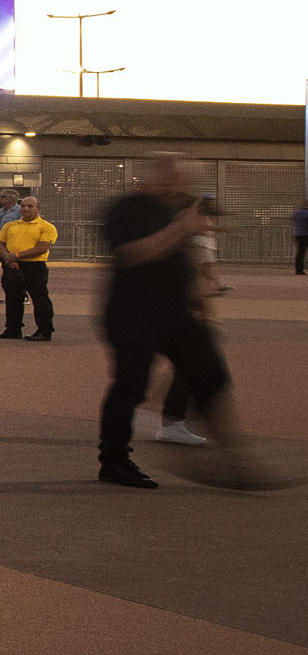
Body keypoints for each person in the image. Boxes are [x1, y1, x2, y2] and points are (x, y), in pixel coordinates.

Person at [97, 157, 240, 488]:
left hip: (174, 315)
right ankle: (114, 461)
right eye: (169, 177)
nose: (175, 184)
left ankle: (224, 454)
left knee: (211, 373)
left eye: (180, 180)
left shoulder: (170, 211)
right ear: (148, 177)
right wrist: (182, 228)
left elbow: (181, 258)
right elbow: (133, 254)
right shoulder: (126, 209)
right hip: (132, 316)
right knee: (130, 386)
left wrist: (200, 301)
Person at [0, 189, 58, 341]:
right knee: (12, 298)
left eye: (30, 206)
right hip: (13, 266)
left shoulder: (46, 227)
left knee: (40, 299)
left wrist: (16, 255)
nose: (26, 209)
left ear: (38, 209)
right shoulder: (10, 226)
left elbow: (42, 248)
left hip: (35, 266)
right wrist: (8, 258)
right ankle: (13, 329)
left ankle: (44, 330)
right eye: (23, 206)